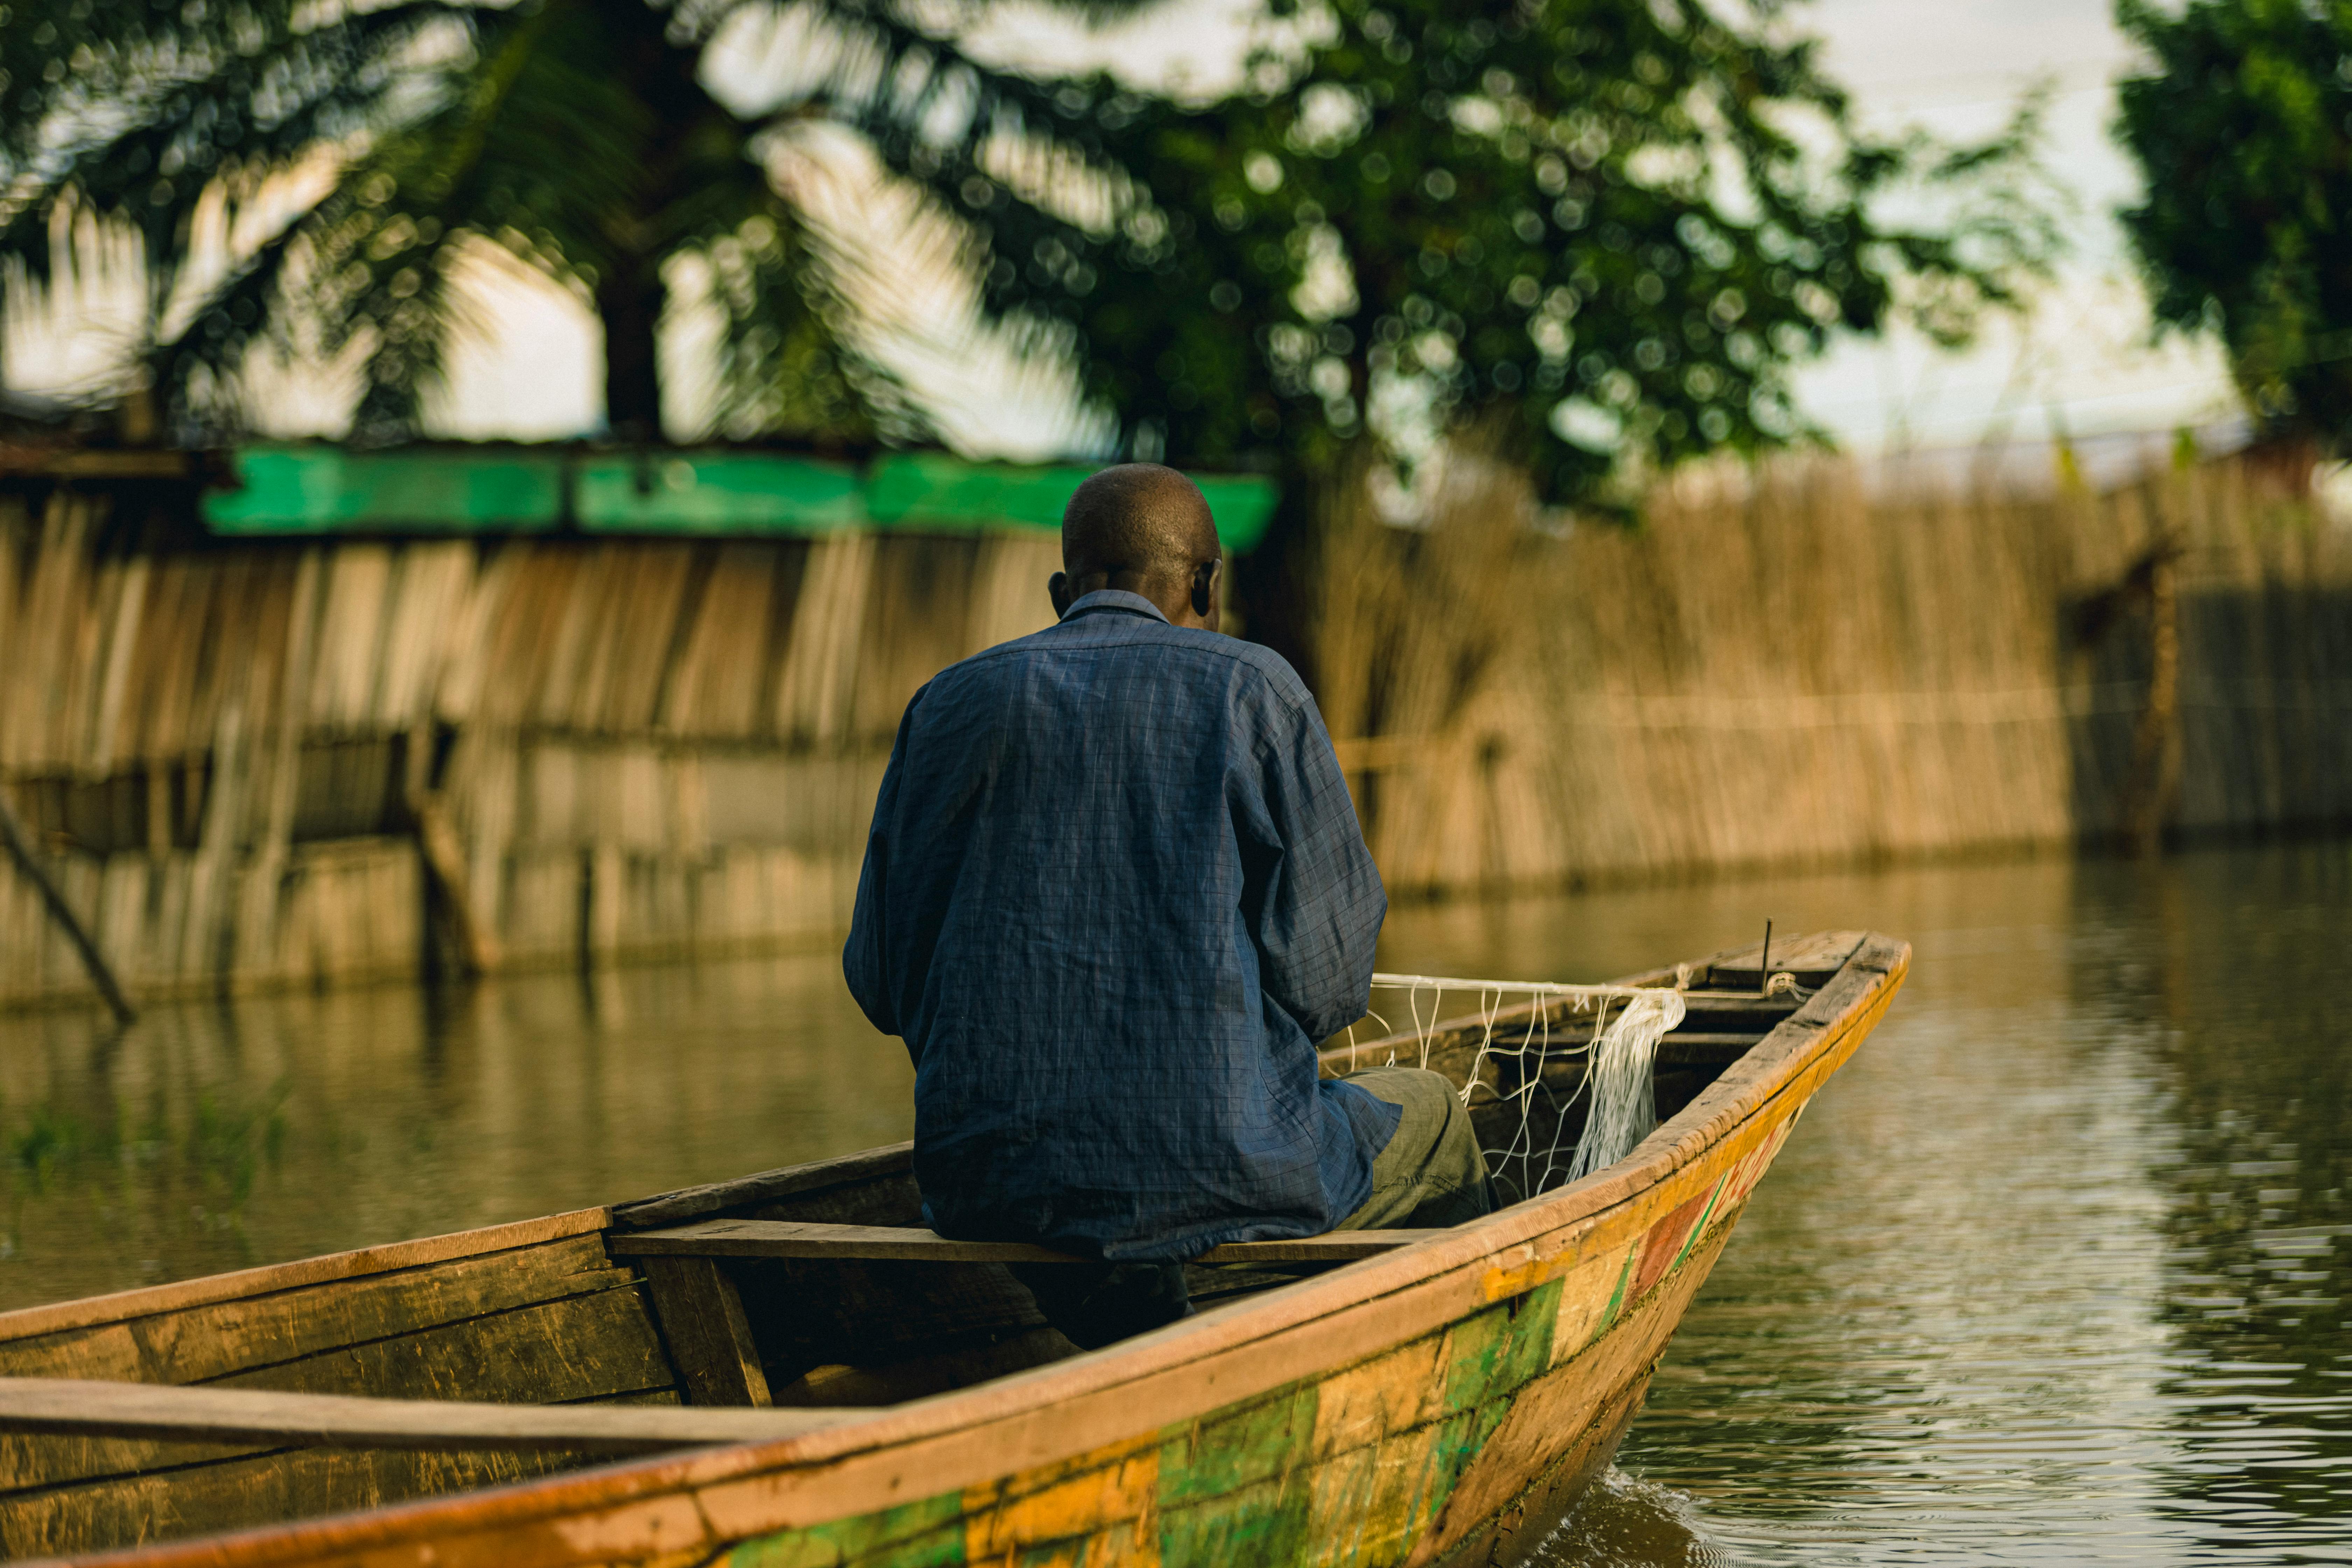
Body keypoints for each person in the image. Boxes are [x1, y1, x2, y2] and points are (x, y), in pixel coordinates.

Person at [842, 463, 1490, 1348]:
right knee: (1439, 1114)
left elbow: (881, 981)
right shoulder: (1254, 690)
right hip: (1232, 1166)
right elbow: (1329, 987)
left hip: (985, 1184)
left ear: (1061, 591)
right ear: (1208, 586)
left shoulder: (946, 705)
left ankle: (1138, 1339)